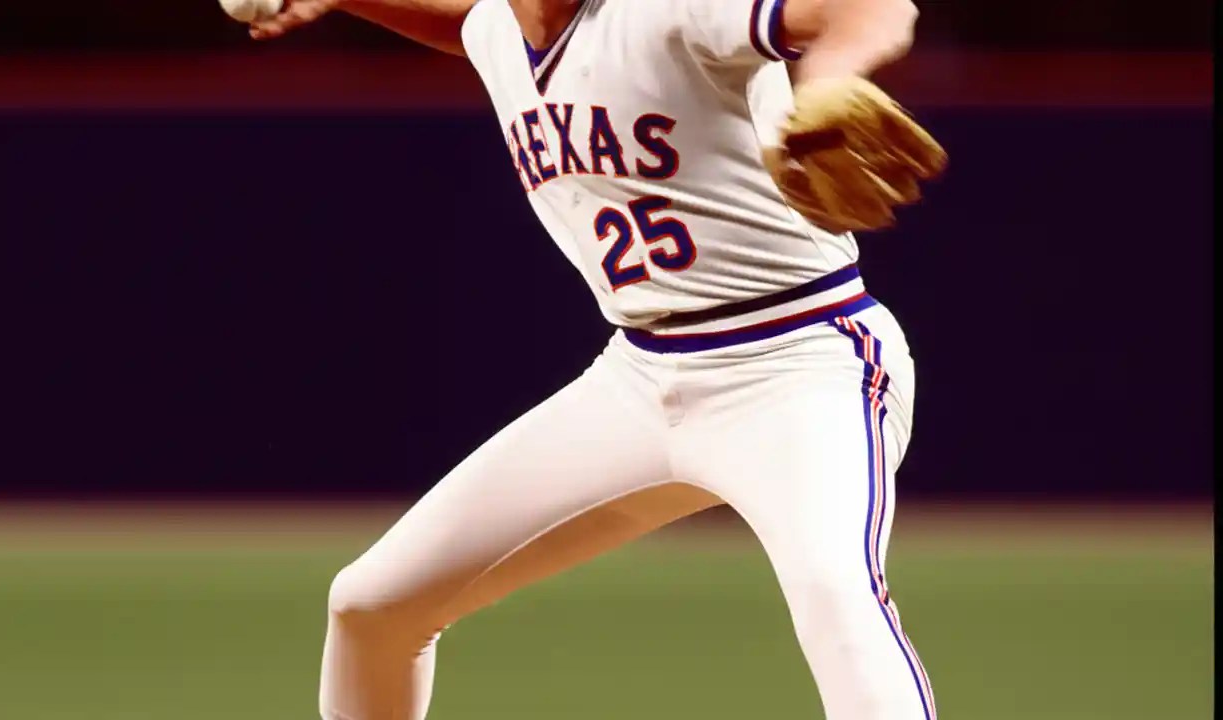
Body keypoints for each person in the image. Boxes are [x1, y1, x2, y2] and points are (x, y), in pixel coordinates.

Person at [238, 0, 947, 717]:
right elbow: (465, 25)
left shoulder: (665, 11)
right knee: (371, 606)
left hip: (800, 362)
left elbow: (872, 7)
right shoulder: (497, 31)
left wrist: (828, 78)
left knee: (837, 595)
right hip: (638, 377)